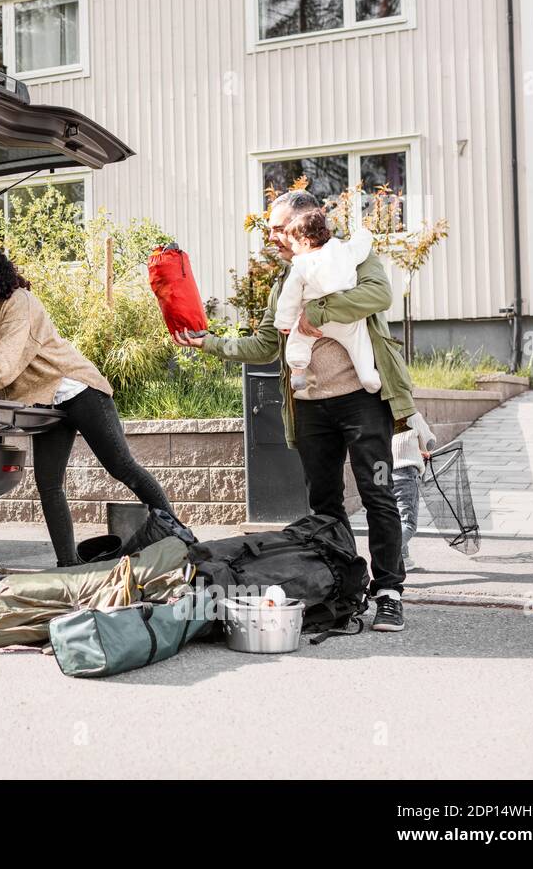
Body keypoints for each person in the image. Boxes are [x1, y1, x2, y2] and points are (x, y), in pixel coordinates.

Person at [172, 190, 416, 632]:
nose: (271, 236)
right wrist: (208, 342)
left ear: (304, 222)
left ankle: (389, 592)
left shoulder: (355, 257)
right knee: (324, 504)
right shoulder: (283, 282)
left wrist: (316, 312)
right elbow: (266, 344)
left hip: (363, 401)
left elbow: (378, 295)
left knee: (378, 495)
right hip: (309, 410)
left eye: (278, 228)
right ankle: (343, 586)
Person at [0, 238, 173, 567]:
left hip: (78, 391)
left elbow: (4, 367)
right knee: (48, 485)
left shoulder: (19, 302)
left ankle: (179, 536)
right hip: (45, 404)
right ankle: (68, 566)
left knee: (121, 467)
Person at [274, 217, 379, 394]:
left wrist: (284, 322)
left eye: (293, 244)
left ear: (305, 242)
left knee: (298, 339)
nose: (292, 249)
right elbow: (360, 247)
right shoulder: (344, 252)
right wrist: (364, 233)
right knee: (360, 343)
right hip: (345, 316)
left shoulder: (301, 266)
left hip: (314, 322)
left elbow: (289, 297)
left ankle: (298, 372)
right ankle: (368, 376)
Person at [393, 410, 437, 572]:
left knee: (395, 518)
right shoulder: (412, 415)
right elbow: (429, 443)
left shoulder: (381, 413)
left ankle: (403, 558)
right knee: (408, 523)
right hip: (405, 472)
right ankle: (386, 554)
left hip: (383, 472)